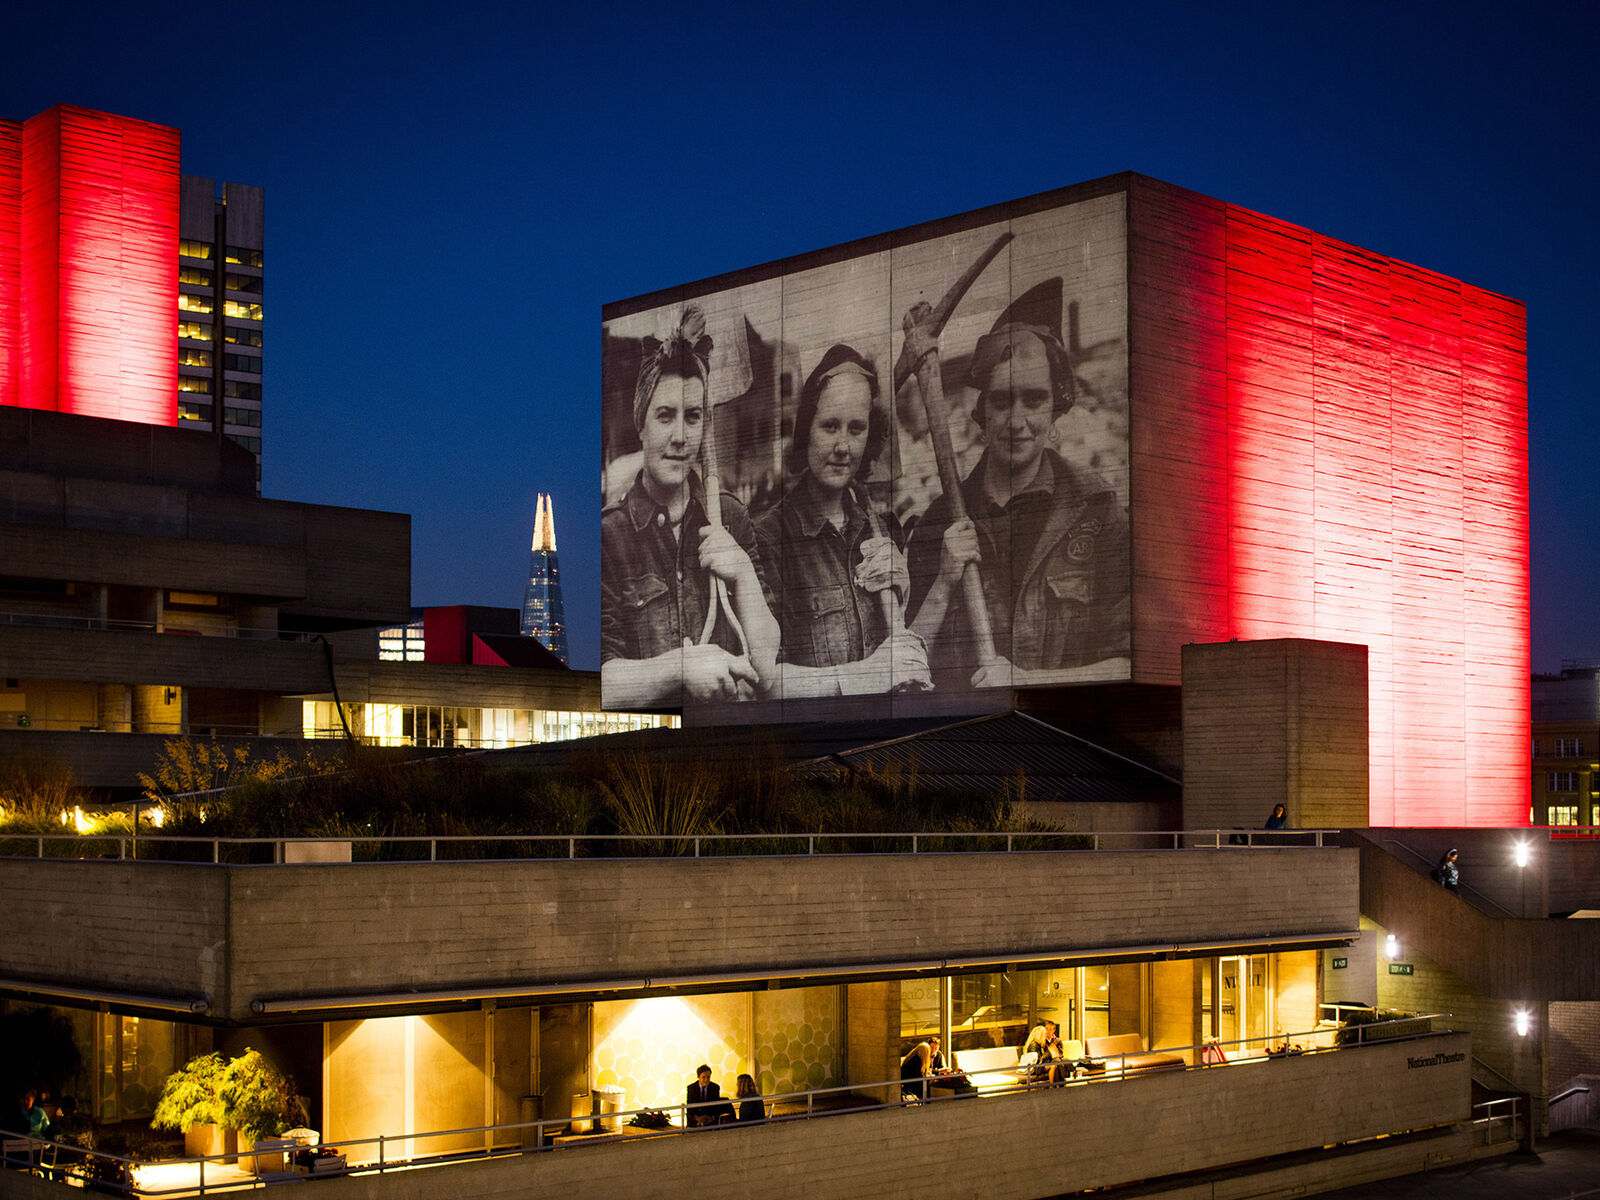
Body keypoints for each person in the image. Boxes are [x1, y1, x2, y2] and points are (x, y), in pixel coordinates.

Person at [906, 278, 1130, 692]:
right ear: (982, 412)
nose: (1016, 421)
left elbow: (1127, 661)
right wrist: (943, 582)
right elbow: (908, 666)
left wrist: (1029, 683)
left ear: (1056, 407)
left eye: (1034, 400)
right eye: (1002, 400)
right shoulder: (938, 525)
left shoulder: (1097, 513)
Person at [601, 306, 780, 707]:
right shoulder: (609, 536)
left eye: (693, 417)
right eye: (665, 416)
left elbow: (767, 668)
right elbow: (601, 682)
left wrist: (744, 573)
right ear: (641, 424)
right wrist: (681, 667)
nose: (681, 436)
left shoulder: (730, 517)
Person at [753, 344, 929, 697]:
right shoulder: (768, 538)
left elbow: (903, 659)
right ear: (806, 431)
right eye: (830, 426)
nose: (843, 446)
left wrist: (904, 603)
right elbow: (765, 680)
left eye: (856, 428)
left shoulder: (883, 529)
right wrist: (863, 677)